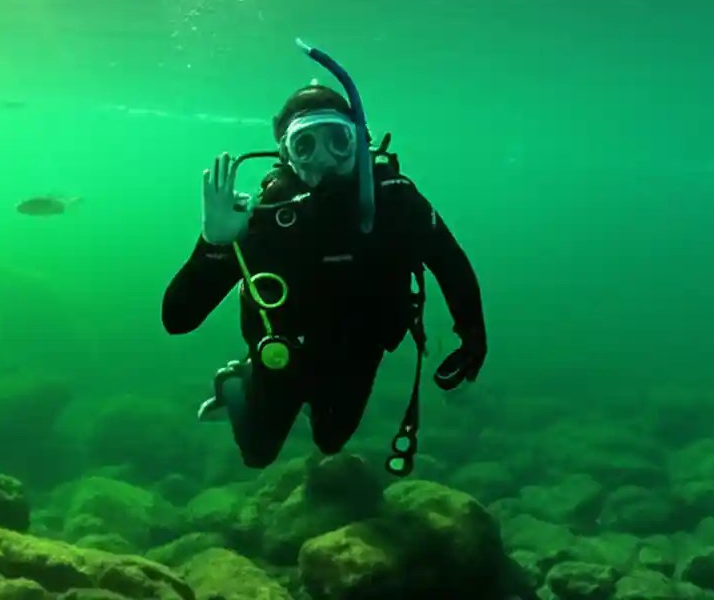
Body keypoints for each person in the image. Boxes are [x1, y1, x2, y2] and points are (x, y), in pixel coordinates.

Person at [160, 42, 487, 475]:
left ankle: (310, 405)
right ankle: (237, 384)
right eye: (306, 145)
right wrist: (215, 243)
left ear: (360, 141)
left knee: (330, 442)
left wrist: (472, 334)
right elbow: (178, 318)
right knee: (258, 455)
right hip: (284, 354)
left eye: (337, 140)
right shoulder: (269, 215)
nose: (324, 160)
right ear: (285, 155)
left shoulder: (397, 203)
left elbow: (451, 263)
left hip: (360, 350)